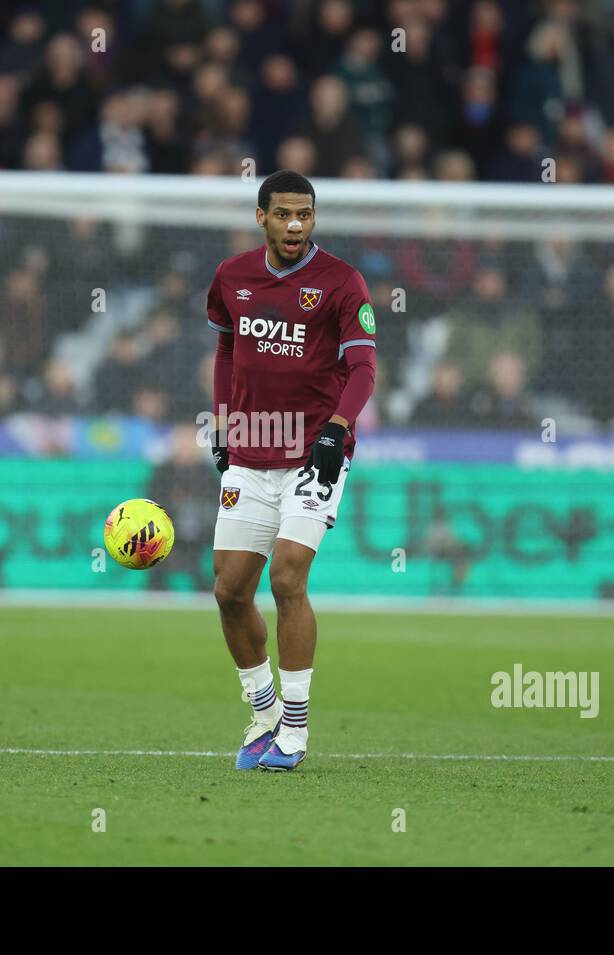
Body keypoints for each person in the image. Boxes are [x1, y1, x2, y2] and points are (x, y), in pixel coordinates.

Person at [206, 169, 377, 771]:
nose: (295, 224)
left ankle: (296, 730)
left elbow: (363, 369)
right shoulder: (232, 277)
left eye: (305, 213)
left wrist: (338, 429)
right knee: (229, 591)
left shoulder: (341, 281)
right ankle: (263, 710)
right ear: (262, 217)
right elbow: (228, 349)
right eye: (283, 213)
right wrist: (225, 423)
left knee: (286, 578)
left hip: (314, 451)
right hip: (250, 450)